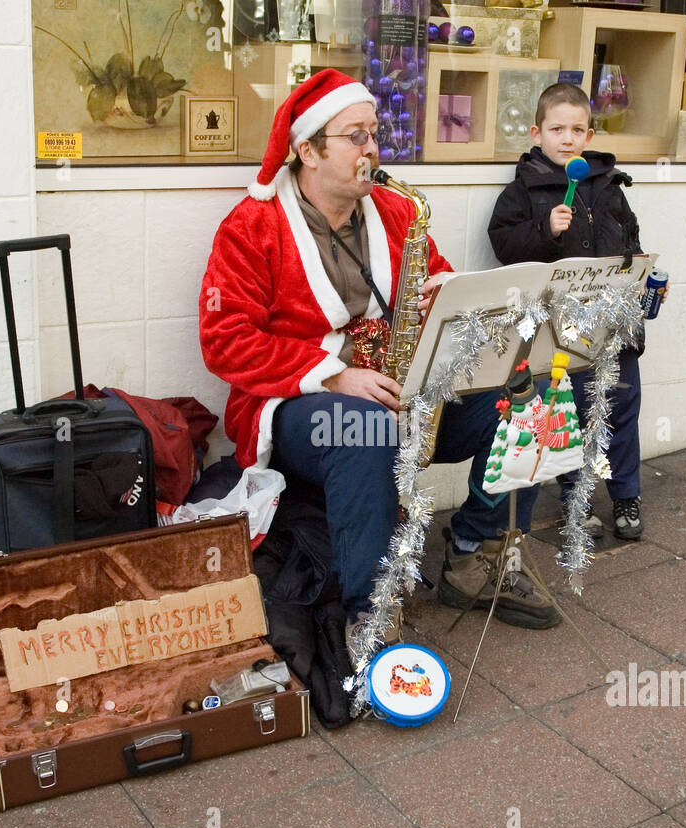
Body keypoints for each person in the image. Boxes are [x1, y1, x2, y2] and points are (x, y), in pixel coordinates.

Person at [198, 69, 559, 638]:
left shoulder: (396, 212)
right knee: (365, 428)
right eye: (356, 137)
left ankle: (473, 555)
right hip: (302, 404)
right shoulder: (252, 228)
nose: (374, 149)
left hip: (405, 387)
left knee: (528, 400)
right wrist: (334, 375)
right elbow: (224, 341)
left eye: (375, 133)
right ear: (307, 151)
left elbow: (437, 281)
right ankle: (369, 609)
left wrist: (461, 305)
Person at [487, 82, 651, 541]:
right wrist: (544, 229)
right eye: (557, 128)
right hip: (559, 333)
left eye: (577, 129)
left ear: (590, 136)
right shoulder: (523, 191)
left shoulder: (608, 187)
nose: (567, 138)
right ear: (537, 133)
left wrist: (643, 277)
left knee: (619, 409)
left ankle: (626, 496)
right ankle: (576, 500)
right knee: (569, 415)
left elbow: (630, 241)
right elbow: (503, 245)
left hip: (611, 325)